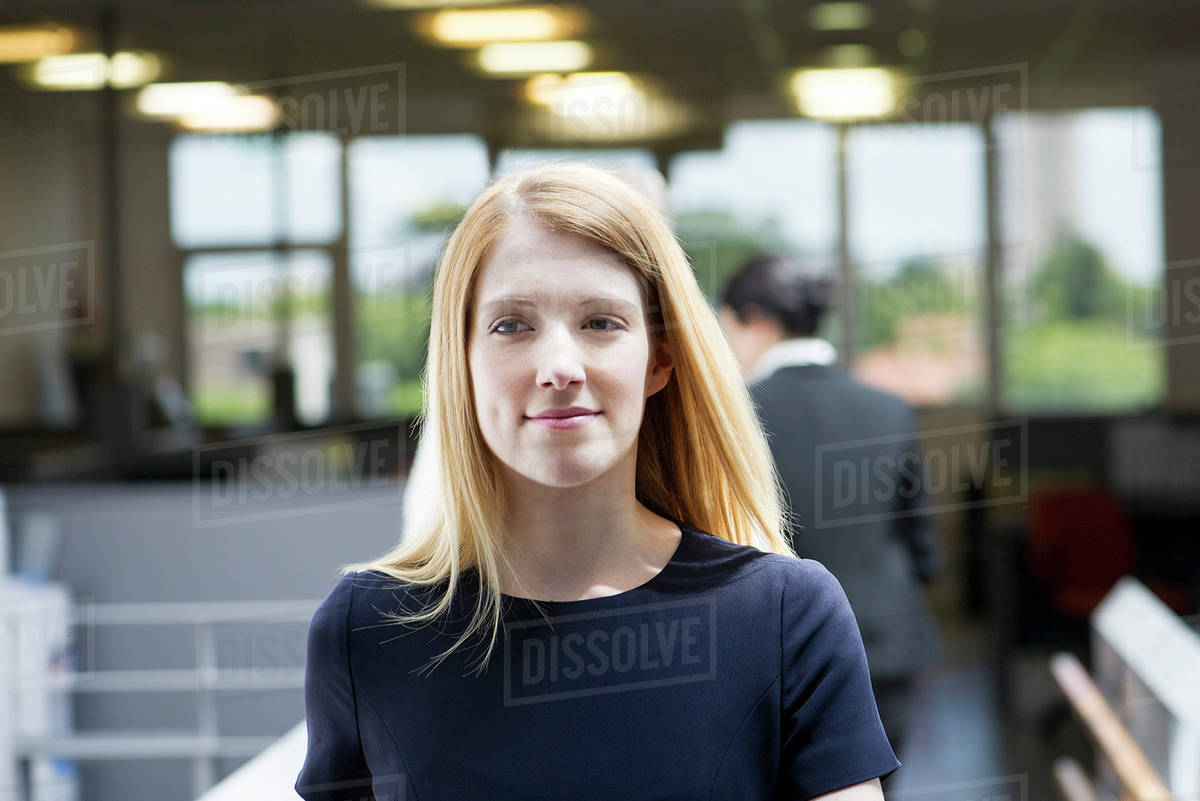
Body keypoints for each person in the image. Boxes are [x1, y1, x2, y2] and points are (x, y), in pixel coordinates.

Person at [295, 165, 900, 801]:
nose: (559, 367)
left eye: (601, 322)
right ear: (461, 360)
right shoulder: (366, 629)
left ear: (660, 359)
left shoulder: (783, 616)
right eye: (511, 325)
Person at [718, 254, 944, 763]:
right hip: (887, 649)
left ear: (754, 319)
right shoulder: (890, 408)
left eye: (725, 326)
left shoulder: (734, 417)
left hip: (775, 660)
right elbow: (923, 546)